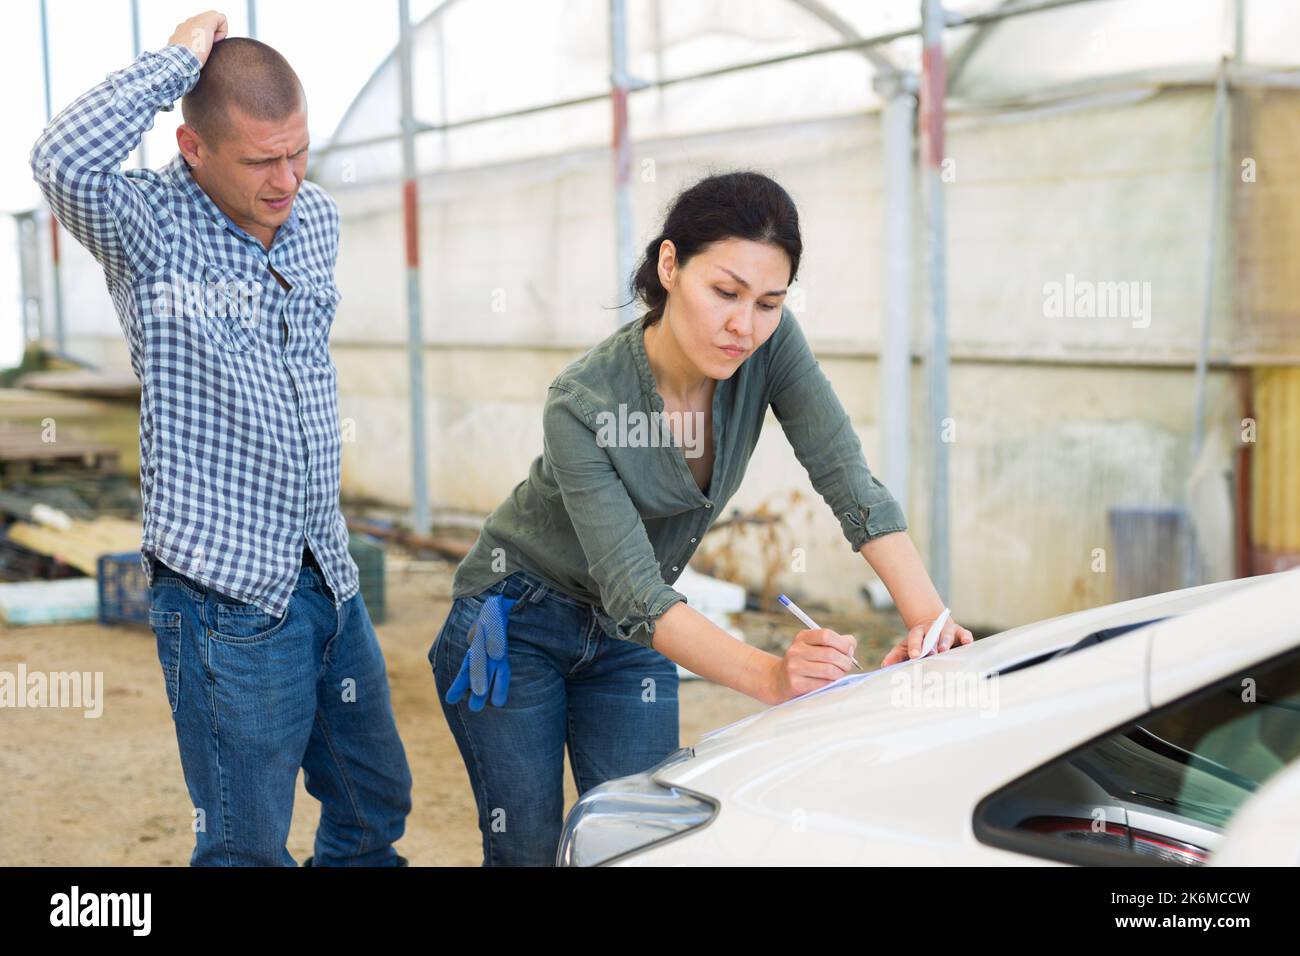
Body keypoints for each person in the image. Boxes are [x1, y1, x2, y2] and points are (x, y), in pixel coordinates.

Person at [430, 170, 974, 865]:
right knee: (529, 845)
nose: (744, 325)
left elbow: (845, 475)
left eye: (769, 302)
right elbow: (633, 590)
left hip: (635, 634)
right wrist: (772, 678)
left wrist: (929, 624)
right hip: (516, 621)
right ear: (669, 265)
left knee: (643, 843)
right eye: (725, 292)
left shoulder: (771, 346)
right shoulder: (581, 402)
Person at [30, 10, 411, 867]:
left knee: (373, 802)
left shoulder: (315, 220)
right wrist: (174, 62)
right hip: (225, 593)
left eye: (298, 151)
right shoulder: (147, 228)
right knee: (244, 845)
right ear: (193, 149)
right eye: (260, 160)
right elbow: (58, 158)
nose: (287, 179)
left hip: (326, 571)